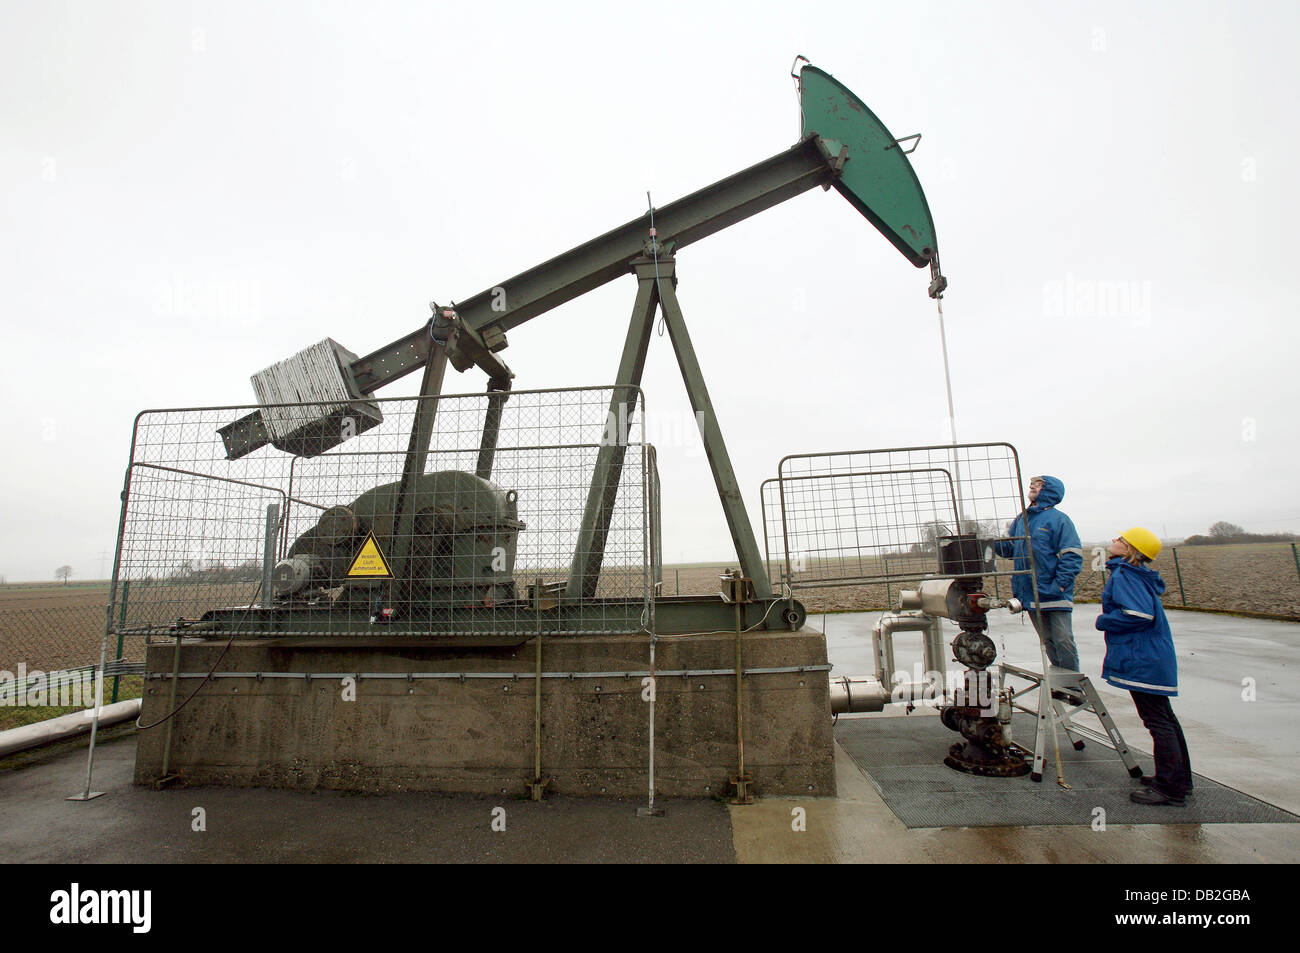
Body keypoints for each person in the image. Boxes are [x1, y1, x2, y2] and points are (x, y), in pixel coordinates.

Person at [1096, 527, 1192, 806]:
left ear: (1131, 550)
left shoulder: (1126, 575)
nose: (1114, 540)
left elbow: (1138, 614)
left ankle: (1169, 788)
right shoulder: (1135, 575)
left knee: (1157, 721)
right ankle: (1178, 780)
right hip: (1151, 655)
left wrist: (1104, 621)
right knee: (1165, 718)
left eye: (1121, 539)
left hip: (1143, 657)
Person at [994, 475, 1084, 672]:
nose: (1032, 486)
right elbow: (1011, 549)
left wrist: (1059, 585)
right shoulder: (1021, 519)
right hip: (1031, 594)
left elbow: (1072, 556)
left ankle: (1074, 685)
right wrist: (991, 543)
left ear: (1051, 490)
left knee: (1063, 641)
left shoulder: (1060, 520)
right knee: (1048, 642)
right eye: (1032, 483)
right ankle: (1060, 684)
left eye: (1039, 484)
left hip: (1054, 594)